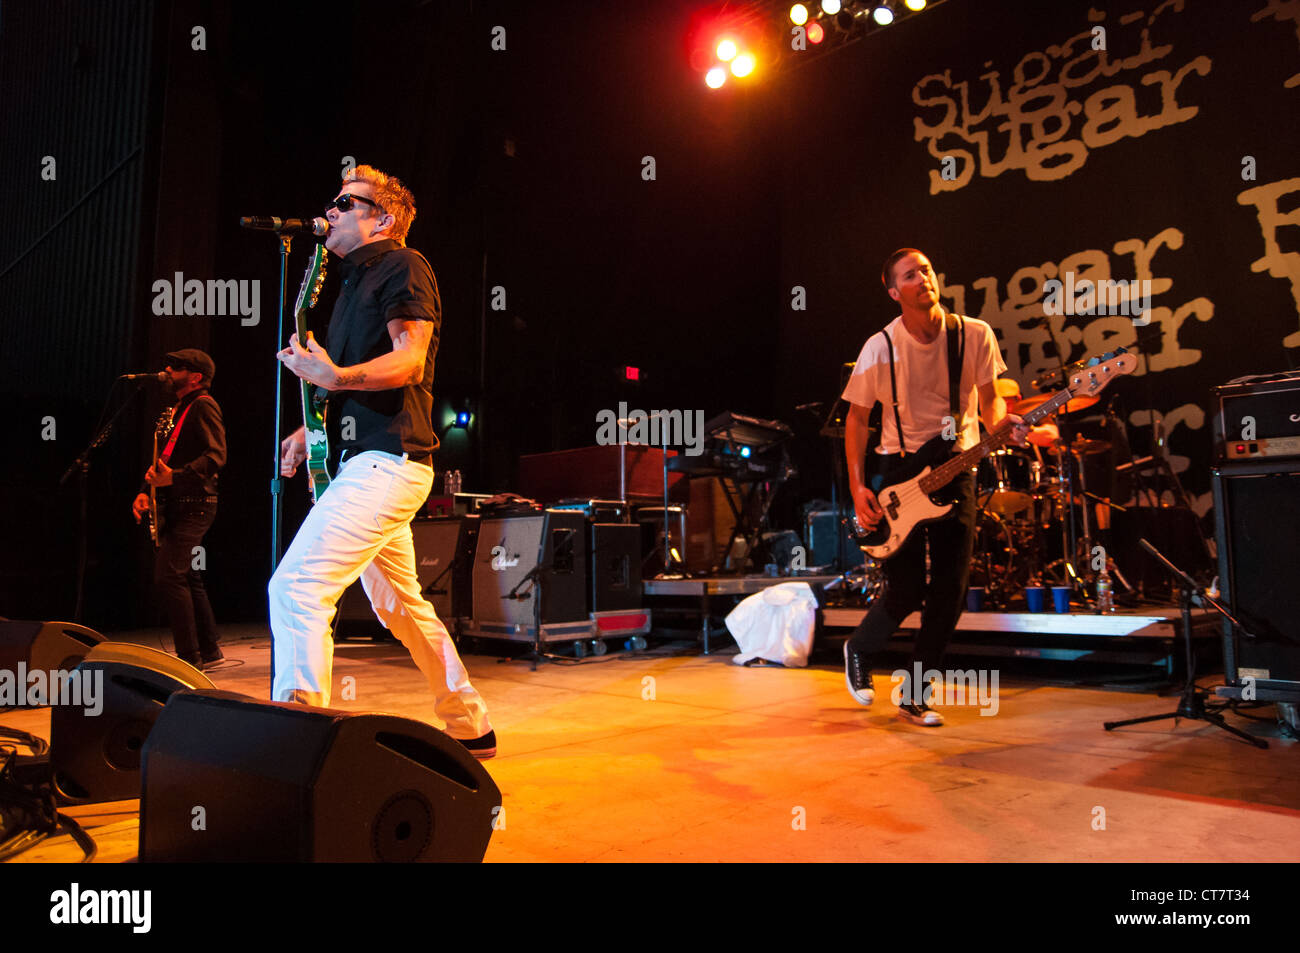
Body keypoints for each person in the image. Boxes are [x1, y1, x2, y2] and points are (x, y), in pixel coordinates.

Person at [271, 164, 495, 759]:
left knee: (296, 587)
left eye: (349, 201)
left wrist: (336, 375)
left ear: (385, 219)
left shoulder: (403, 264)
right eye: (335, 199)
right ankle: (471, 723)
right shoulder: (348, 285)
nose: (334, 209)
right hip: (358, 463)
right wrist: (307, 427)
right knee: (399, 606)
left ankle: (295, 750)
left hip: (388, 462)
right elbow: (347, 385)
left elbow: (409, 360)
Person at [842, 249, 1027, 726]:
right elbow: (857, 418)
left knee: (951, 589)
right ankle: (860, 649)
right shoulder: (881, 345)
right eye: (910, 274)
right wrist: (859, 486)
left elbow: (990, 406)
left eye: (925, 269)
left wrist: (1009, 426)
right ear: (893, 291)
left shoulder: (974, 334)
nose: (922, 277)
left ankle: (915, 694)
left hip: (956, 466)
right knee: (904, 588)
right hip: (896, 472)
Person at [131, 348, 226, 669]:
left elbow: (216, 456)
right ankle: (209, 651)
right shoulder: (179, 408)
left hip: (196, 503)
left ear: (195, 377)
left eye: (176, 367)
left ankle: (189, 659)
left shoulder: (203, 405)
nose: (168, 370)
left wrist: (175, 477)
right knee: (188, 575)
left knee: (168, 576)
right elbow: (166, 459)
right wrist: (148, 490)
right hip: (178, 502)